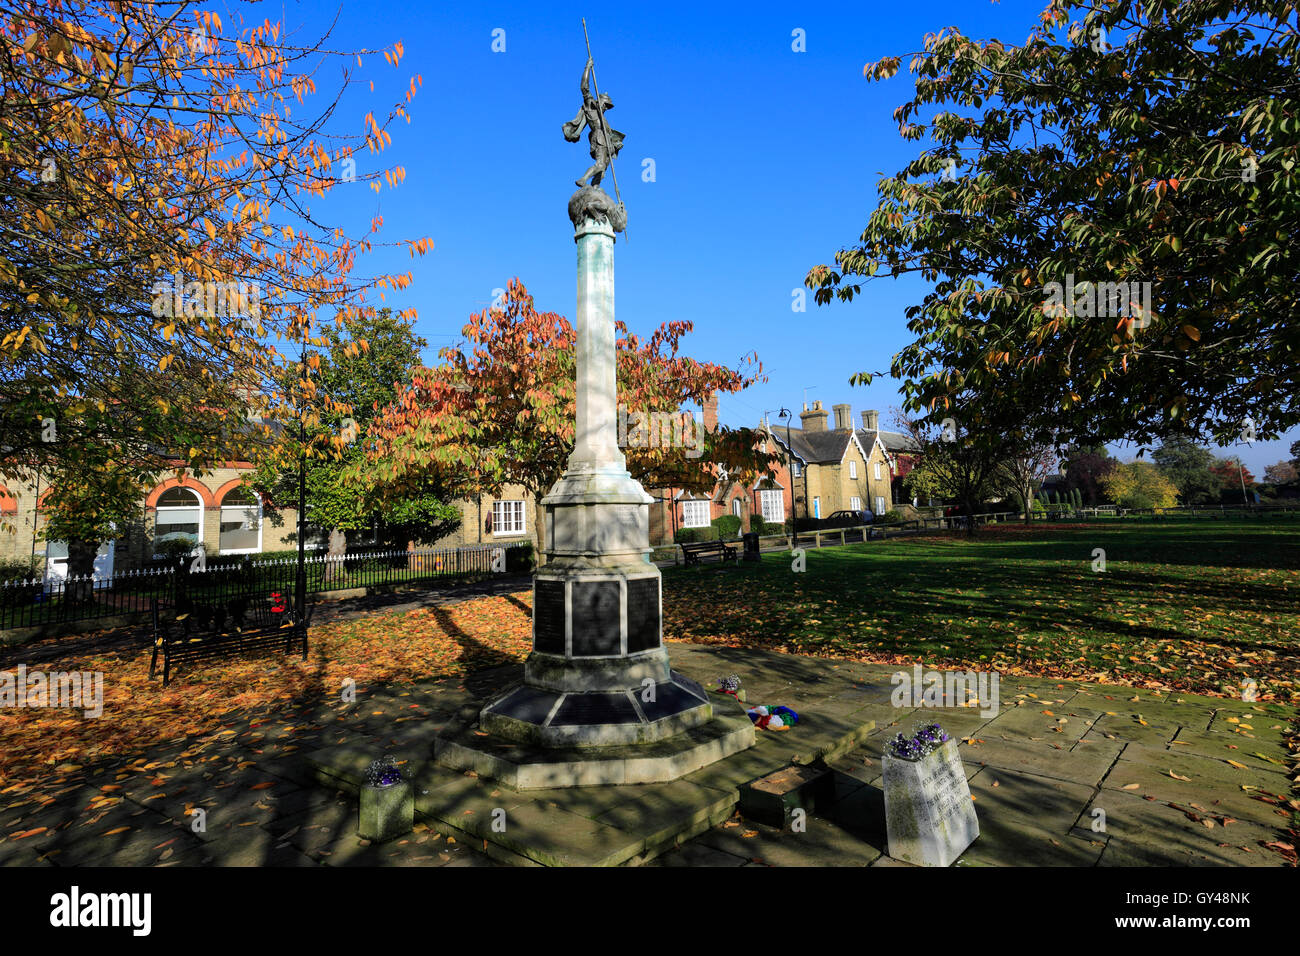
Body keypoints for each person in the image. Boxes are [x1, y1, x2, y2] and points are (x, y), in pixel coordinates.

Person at [562, 57, 625, 188]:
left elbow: (611, 137)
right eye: (605, 104)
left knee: (602, 171)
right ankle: (582, 179)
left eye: (608, 106)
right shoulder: (592, 107)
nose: (606, 107)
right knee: (600, 164)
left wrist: (616, 145)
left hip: (607, 143)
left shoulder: (605, 120)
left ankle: (595, 188)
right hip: (599, 138)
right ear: (600, 100)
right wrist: (587, 67)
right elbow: (584, 87)